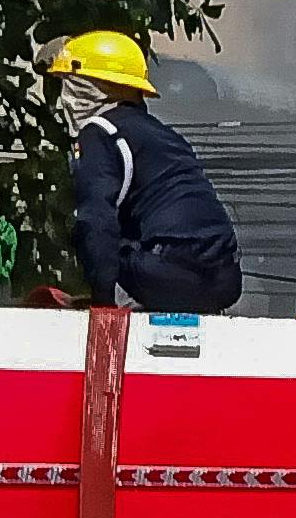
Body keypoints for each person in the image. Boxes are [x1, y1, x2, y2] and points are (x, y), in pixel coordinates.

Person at [48, 29, 243, 315]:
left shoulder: (101, 131)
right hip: (224, 282)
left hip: (166, 272)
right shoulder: (164, 136)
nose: (64, 98)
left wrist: (101, 305)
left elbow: (96, 220)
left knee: (96, 239)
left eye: (72, 84)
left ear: (97, 86)